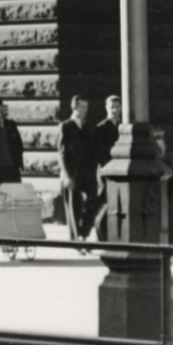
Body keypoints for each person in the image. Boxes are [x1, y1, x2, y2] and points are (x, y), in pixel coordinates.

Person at [58, 96, 100, 250]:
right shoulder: (65, 126)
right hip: (72, 173)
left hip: (88, 173)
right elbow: (62, 153)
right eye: (82, 107)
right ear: (74, 107)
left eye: (86, 107)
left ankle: (83, 233)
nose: (85, 110)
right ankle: (76, 241)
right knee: (74, 207)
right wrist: (66, 176)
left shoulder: (88, 126)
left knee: (94, 203)